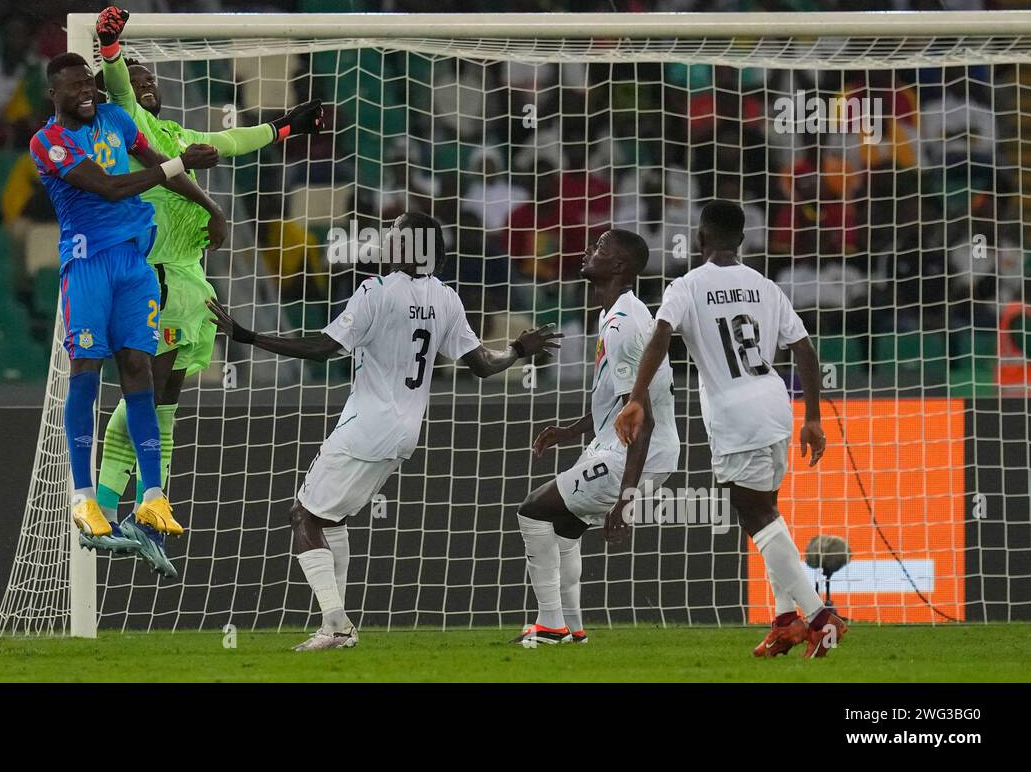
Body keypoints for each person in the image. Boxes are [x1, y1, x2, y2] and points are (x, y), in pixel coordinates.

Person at [209, 212, 562, 650]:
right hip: (405, 432)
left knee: (302, 515)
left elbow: (324, 349)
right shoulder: (448, 299)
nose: (387, 242)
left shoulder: (374, 291)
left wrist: (248, 336)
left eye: (395, 236)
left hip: (368, 424)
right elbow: (484, 367)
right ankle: (334, 627)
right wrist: (517, 349)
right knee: (330, 517)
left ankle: (335, 624)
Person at [88, 6, 324, 575]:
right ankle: (103, 505)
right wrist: (113, 50)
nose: (149, 87)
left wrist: (283, 126)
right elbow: (117, 84)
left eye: (152, 81)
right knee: (145, 396)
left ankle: (148, 518)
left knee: (166, 402)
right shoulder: (123, 126)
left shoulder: (170, 133)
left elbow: (229, 139)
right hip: (157, 277)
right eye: (141, 82)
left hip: (191, 282)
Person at [613, 201, 845, 658]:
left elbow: (661, 335)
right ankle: (784, 622)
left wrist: (637, 395)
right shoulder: (766, 287)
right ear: (742, 241)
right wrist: (813, 418)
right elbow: (805, 350)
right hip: (776, 408)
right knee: (767, 513)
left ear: (700, 239)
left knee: (752, 513)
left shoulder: (687, 285)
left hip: (735, 416)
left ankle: (820, 618)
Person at [29, 52, 223, 549]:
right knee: (88, 370)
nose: (87, 93)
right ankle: (84, 496)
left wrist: (206, 202)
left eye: (90, 85)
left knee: (140, 368)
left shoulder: (116, 117)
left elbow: (157, 164)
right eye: (75, 88)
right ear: (54, 95)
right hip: (88, 265)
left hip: (135, 265)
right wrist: (183, 162)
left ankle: (153, 493)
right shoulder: (47, 142)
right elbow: (111, 188)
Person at [515, 230, 680, 644]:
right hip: (620, 445)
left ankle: (550, 625)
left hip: (636, 452)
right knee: (565, 525)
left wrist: (627, 500)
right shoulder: (615, 313)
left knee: (533, 510)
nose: (590, 252)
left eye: (601, 249)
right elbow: (622, 402)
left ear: (620, 266)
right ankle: (572, 629)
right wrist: (571, 431)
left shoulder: (623, 324)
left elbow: (642, 419)